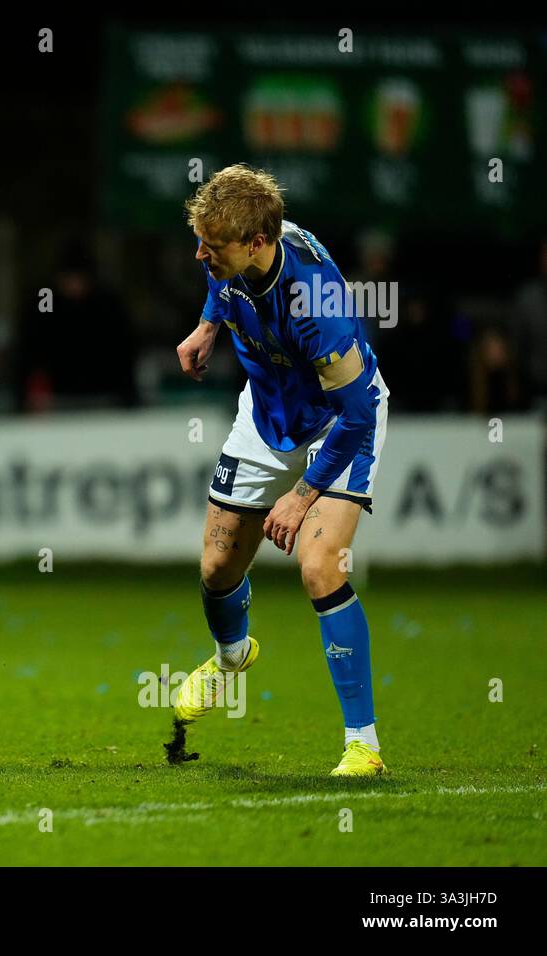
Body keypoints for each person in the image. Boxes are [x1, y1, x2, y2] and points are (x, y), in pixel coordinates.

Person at [171, 165, 389, 776]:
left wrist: (302, 494)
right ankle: (231, 656)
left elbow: (358, 412)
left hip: (338, 424)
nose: (201, 255)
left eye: (213, 249)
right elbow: (225, 284)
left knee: (320, 568)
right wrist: (207, 326)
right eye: (201, 243)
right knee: (216, 568)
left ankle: (363, 745)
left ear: (258, 243)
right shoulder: (241, 248)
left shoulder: (315, 305)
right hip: (265, 418)